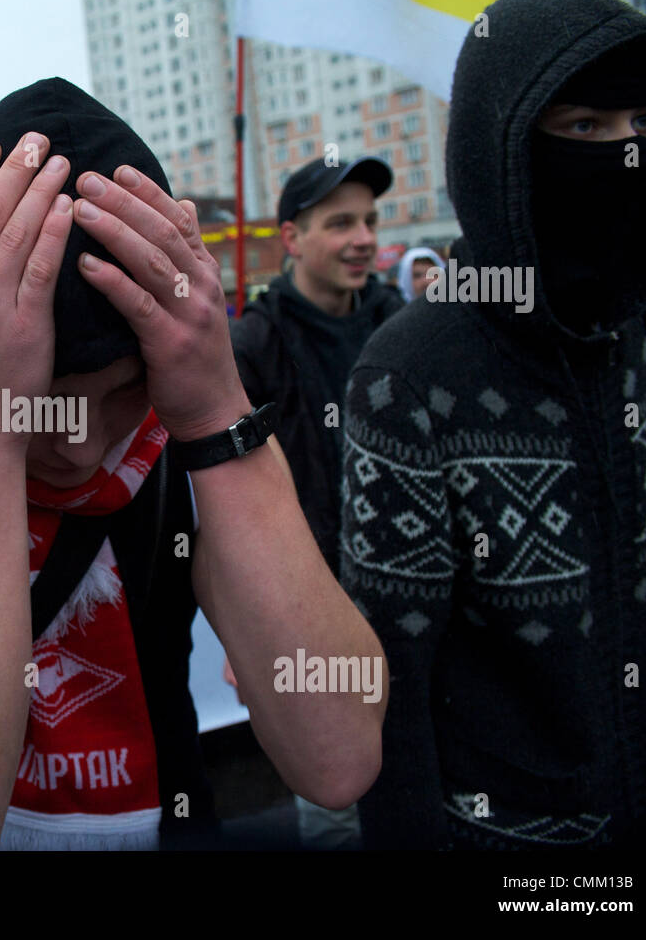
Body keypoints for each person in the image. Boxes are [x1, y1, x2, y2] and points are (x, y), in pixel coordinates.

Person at [0, 78, 386, 850]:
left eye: (124, 391)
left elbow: (338, 756)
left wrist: (215, 409)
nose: (83, 445)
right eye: (43, 401)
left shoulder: (186, 419)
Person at [342, 0, 646, 849]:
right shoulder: (410, 374)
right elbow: (393, 682)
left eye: (643, 125)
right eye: (584, 130)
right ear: (501, 150)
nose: (627, 155)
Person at [224, 155, 403, 849]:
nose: (362, 238)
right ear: (292, 239)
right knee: (336, 804)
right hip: (312, 602)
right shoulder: (253, 345)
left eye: (369, 221)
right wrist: (249, 623)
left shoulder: (402, 323)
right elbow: (228, 496)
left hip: (411, 600)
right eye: (340, 223)